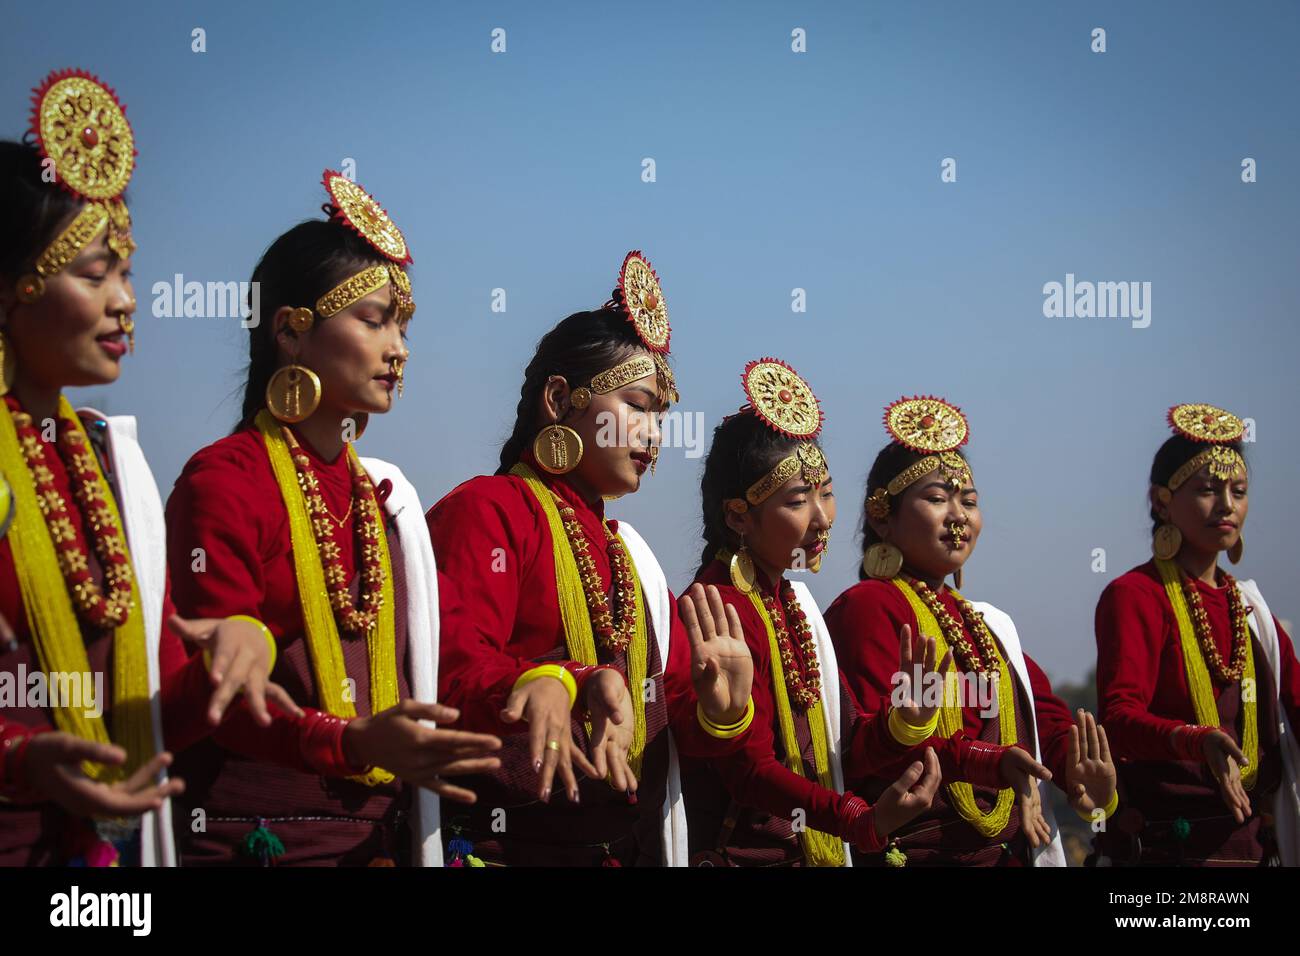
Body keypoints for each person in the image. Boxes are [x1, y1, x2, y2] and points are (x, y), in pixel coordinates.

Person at [0, 69, 297, 867]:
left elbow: (157, 699)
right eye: (93, 273)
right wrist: (21, 757)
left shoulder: (105, 462)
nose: (126, 301)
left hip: (97, 850)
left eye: (126, 273)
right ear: (9, 292)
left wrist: (236, 655)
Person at [164, 171, 501, 866]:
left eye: (403, 327)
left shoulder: (380, 499)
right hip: (259, 841)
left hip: (377, 840)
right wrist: (351, 744)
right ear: (291, 330)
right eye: (374, 321)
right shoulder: (226, 479)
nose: (398, 349)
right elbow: (218, 698)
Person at [428, 251, 756, 865]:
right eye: (637, 406)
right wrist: (557, 678)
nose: (655, 435)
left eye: (661, 416)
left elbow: (666, 714)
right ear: (559, 398)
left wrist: (720, 708)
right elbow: (448, 670)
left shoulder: (628, 555)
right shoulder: (490, 509)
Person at [825, 395, 1116, 865]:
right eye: (938, 499)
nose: (958, 515)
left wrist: (1074, 770)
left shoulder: (985, 622)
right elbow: (870, 747)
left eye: (970, 501)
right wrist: (992, 760)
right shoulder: (868, 606)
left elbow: (1042, 714)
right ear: (882, 516)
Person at [682, 358, 946, 866]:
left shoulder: (791, 607)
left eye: (826, 493)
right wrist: (857, 820)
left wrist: (902, 724)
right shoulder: (717, 608)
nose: (823, 518)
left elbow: (840, 751)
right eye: (800, 500)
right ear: (739, 515)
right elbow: (749, 771)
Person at [1093, 403, 1300, 865]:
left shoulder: (1250, 608)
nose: (1227, 505)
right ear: (1161, 500)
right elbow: (1120, 720)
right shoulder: (1135, 595)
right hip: (1170, 844)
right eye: (1207, 490)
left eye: (1239, 491)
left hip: (1255, 842)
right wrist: (1195, 739)